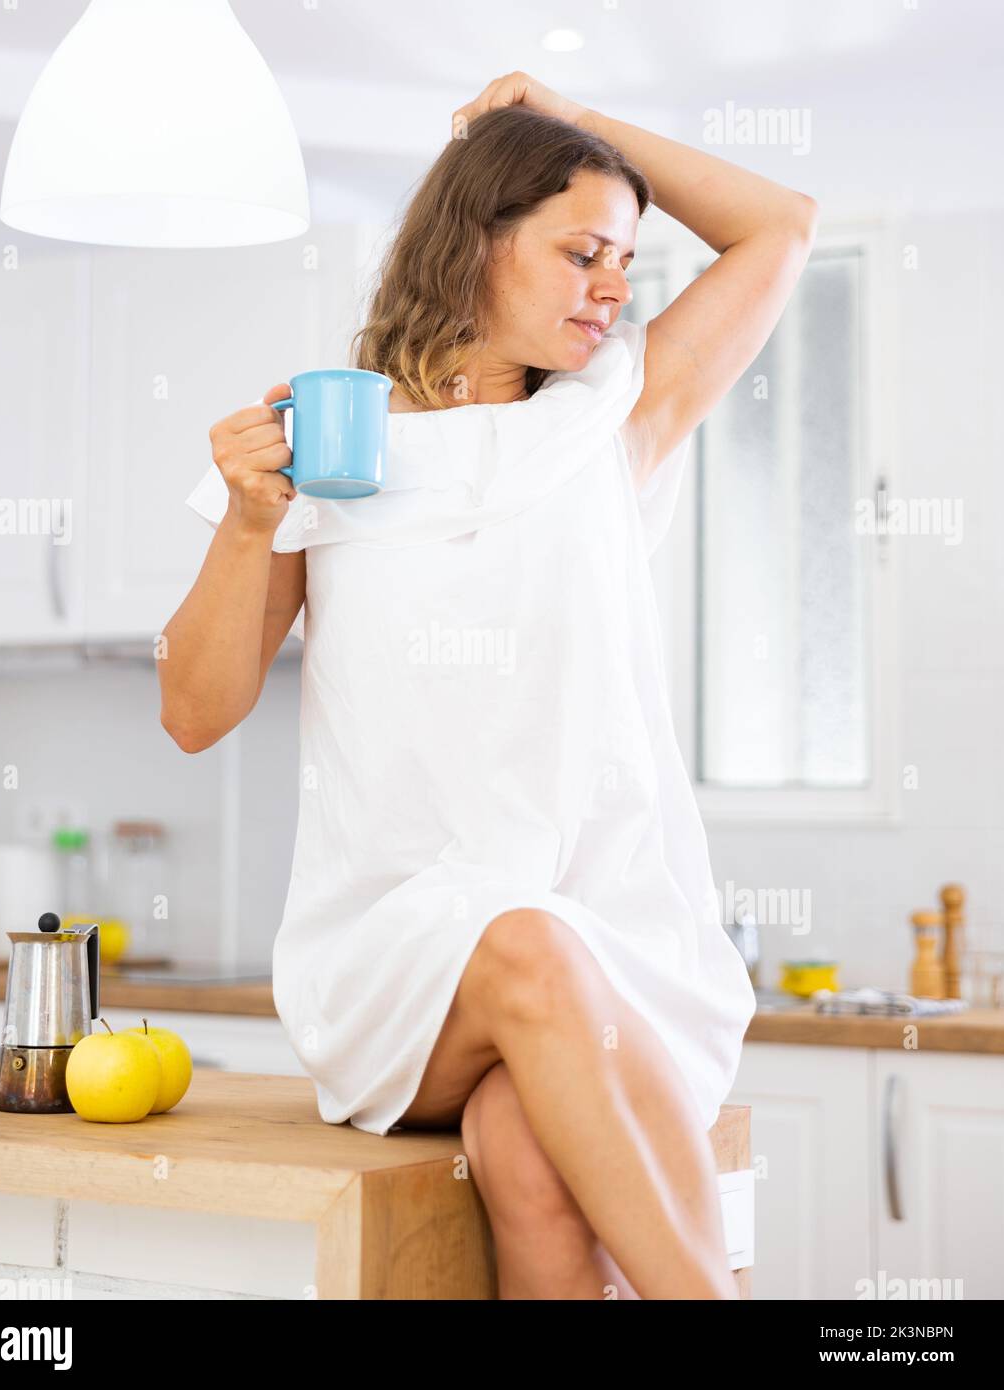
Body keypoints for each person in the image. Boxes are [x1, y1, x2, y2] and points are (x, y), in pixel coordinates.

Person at [160, 71, 818, 1300]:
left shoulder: (615, 416)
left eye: (624, 258)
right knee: (525, 945)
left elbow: (781, 225)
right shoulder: (324, 447)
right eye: (581, 252)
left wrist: (580, 127)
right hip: (396, 961)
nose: (615, 287)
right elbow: (194, 714)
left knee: (525, 1155)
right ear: (474, 242)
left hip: (615, 953)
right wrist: (250, 524)